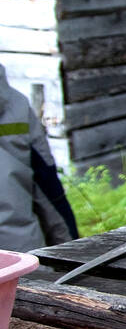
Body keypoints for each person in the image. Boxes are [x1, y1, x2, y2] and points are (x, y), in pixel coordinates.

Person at [0, 63, 77, 252]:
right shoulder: (16, 103)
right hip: (22, 256)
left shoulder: (17, 105)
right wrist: (70, 248)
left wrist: (70, 249)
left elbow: (46, 183)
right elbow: (47, 188)